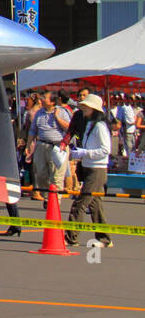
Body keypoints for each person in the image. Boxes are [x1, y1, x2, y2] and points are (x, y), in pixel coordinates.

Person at [66, 93, 113, 248]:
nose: (83, 108)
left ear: (93, 108)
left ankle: (70, 237)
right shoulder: (91, 123)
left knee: (81, 202)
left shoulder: (99, 126)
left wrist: (85, 153)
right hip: (90, 166)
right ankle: (104, 238)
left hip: (96, 169)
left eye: (86, 106)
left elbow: (106, 150)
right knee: (95, 204)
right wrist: (82, 152)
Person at [26, 90, 70, 200]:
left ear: (52, 102)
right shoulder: (39, 113)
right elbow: (33, 130)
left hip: (58, 146)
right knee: (40, 174)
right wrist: (28, 145)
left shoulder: (62, 112)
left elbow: (69, 128)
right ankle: (47, 197)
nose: (42, 99)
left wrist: (57, 118)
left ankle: (56, 201)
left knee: (57, 176)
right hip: (41, 145)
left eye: (44, 98)